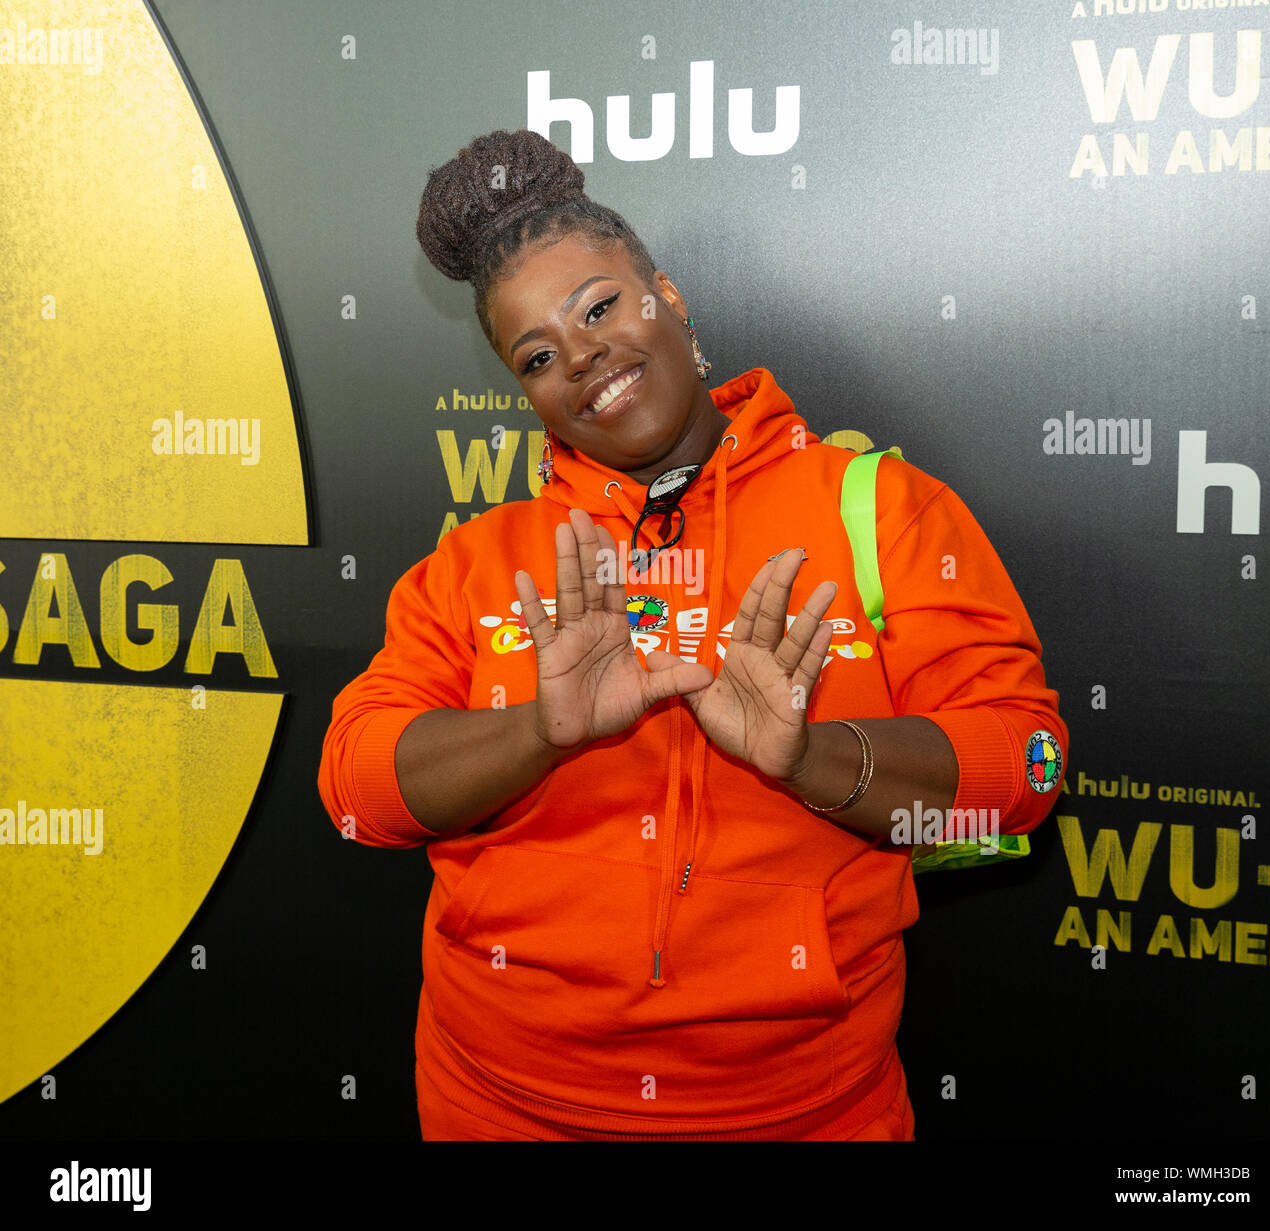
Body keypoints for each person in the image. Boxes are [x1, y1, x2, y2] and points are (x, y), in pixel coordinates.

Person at [317, 127, 1067, 1140]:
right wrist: (538, 732)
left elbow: (1027, 770)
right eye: (537, 355)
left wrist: (813, 758)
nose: (580, 355)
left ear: (667, 295)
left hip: (800, 1111)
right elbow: (357, 794)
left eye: (601, 306)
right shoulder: (479, 561)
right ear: (524, 390)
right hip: (500, 1103)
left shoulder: (879, 509)